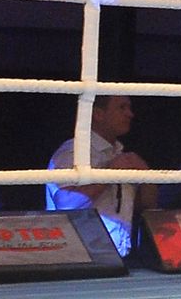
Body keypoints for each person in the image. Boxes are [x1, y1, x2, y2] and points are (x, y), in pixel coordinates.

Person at [46, 95, 156, 257]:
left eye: (129, 108)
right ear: (98, 114)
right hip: (79, 259)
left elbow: (147, 205)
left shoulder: (120, 154)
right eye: (122, 108)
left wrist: (148, 177)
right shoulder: (73, 153)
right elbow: (66, 206)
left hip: (117, 258)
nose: (130, 114)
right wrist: (108, 175)